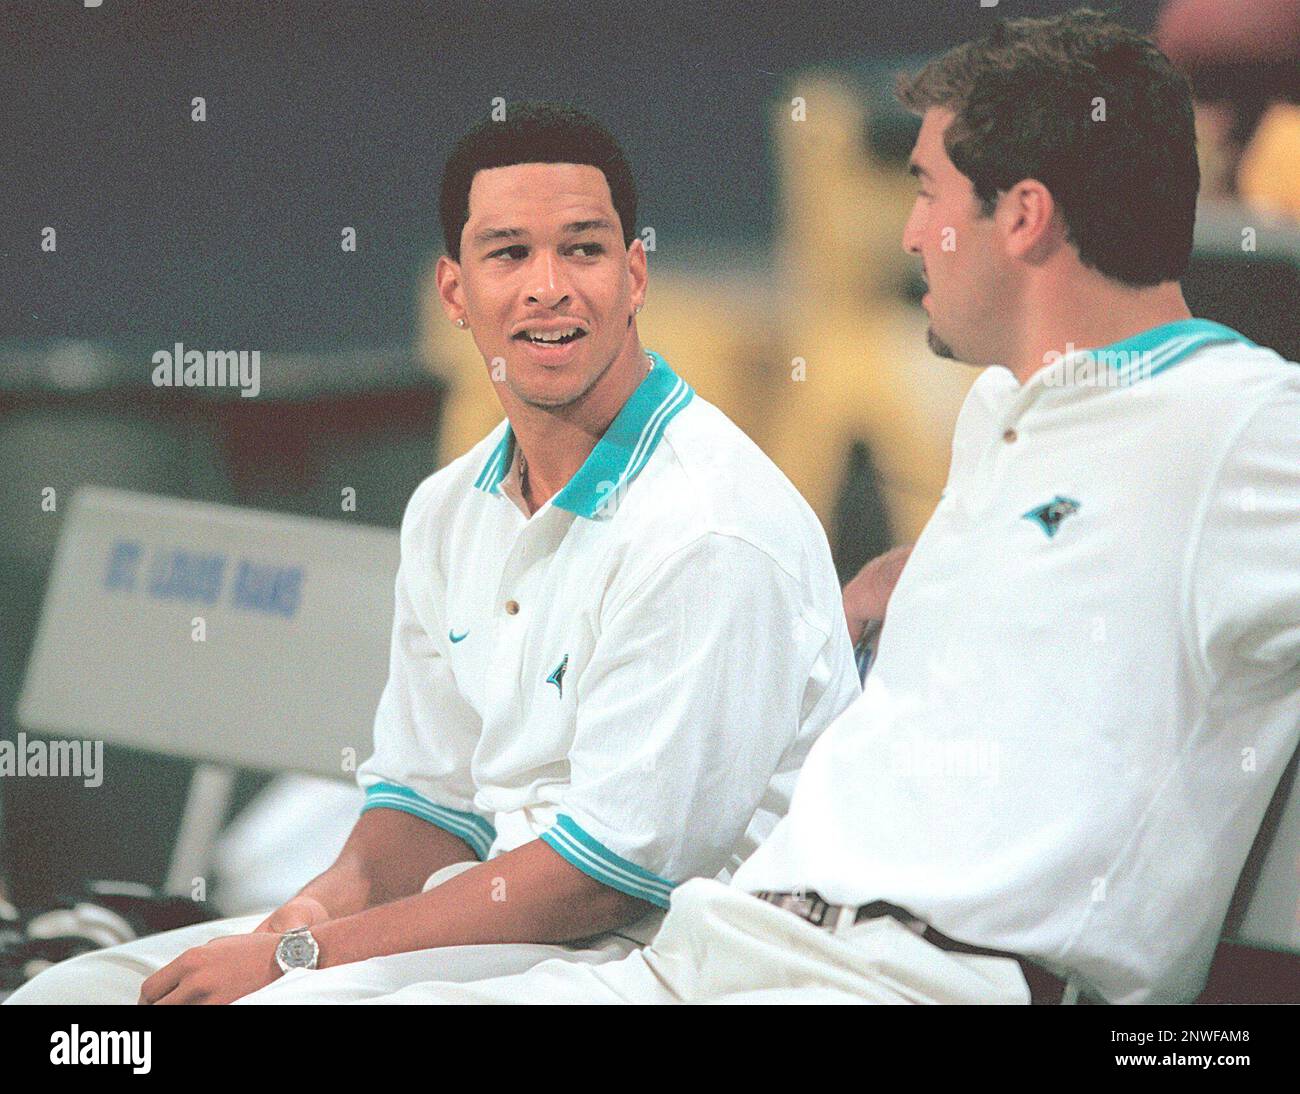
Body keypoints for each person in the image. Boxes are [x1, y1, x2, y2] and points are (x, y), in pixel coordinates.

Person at [271, 9, 1296, 1006]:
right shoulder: (1004, 408)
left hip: (913, 977)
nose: (907, 234)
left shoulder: (1244, 426)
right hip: (733, 942)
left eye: (927, 193)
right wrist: (899, 591)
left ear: (1022, 216)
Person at [5, 103, 859, 1005]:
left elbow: (603, 876)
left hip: (680, 951)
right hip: (510, 928)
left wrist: (300, 964)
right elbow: (425, 809)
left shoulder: (709, 528)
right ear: (455, 293)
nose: (548, 287)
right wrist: (304, 917)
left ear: (635, 273)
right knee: (72, 1000)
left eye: (583, 249)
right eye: (508, 254)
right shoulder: (447, 509)